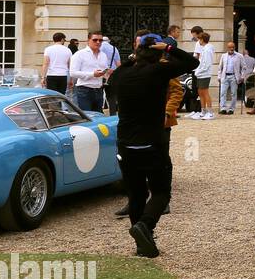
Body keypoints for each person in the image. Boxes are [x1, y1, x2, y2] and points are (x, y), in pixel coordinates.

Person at [108, 35, 198, 257]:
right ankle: (145, 226)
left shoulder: (121, 73)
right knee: (160, 192)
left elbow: (112, 83)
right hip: (151, 142)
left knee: (136, 194)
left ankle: (142, 247)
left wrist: (136, 54)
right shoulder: (158, 71)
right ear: (158, 54)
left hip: (126, 144)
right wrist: (168, 47)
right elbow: (192, 63)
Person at [67, 32, 110, 113]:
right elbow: (72, 73)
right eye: (95, 40)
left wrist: (106, 73)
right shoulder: (79, 54)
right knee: (88, 116)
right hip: (84, 90)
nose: (98, 42)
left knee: (98, 116)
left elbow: (104, 71)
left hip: (99, 89)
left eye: (100, 40)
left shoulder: (103, 55)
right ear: (88, 41)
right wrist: (92, 74)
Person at [191, 30, 215, 119]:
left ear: (202, 40)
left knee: (205, 92)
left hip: (205, 74)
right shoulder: (204, 49)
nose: (198, 41)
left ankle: (210, 112)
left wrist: (198, 71)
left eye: (199, 40)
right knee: (200, 92)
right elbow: (202, 62)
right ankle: (203, 110)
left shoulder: (208, 49)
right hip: (201, 73)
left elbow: (207, 64)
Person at [218, 41, 246, 114]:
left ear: (235, 47)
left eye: (233, 47)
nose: (232, 48)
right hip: (225, 76)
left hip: (234, 76)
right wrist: (219, 76)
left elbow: (244, 67)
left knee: (233, 93)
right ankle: (223, 108)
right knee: (222, 93)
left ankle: (231, 109)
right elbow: (220, 67)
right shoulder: (223, 56)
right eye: (230, 47)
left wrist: (242, 76)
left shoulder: (239, 56)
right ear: (227, 48)